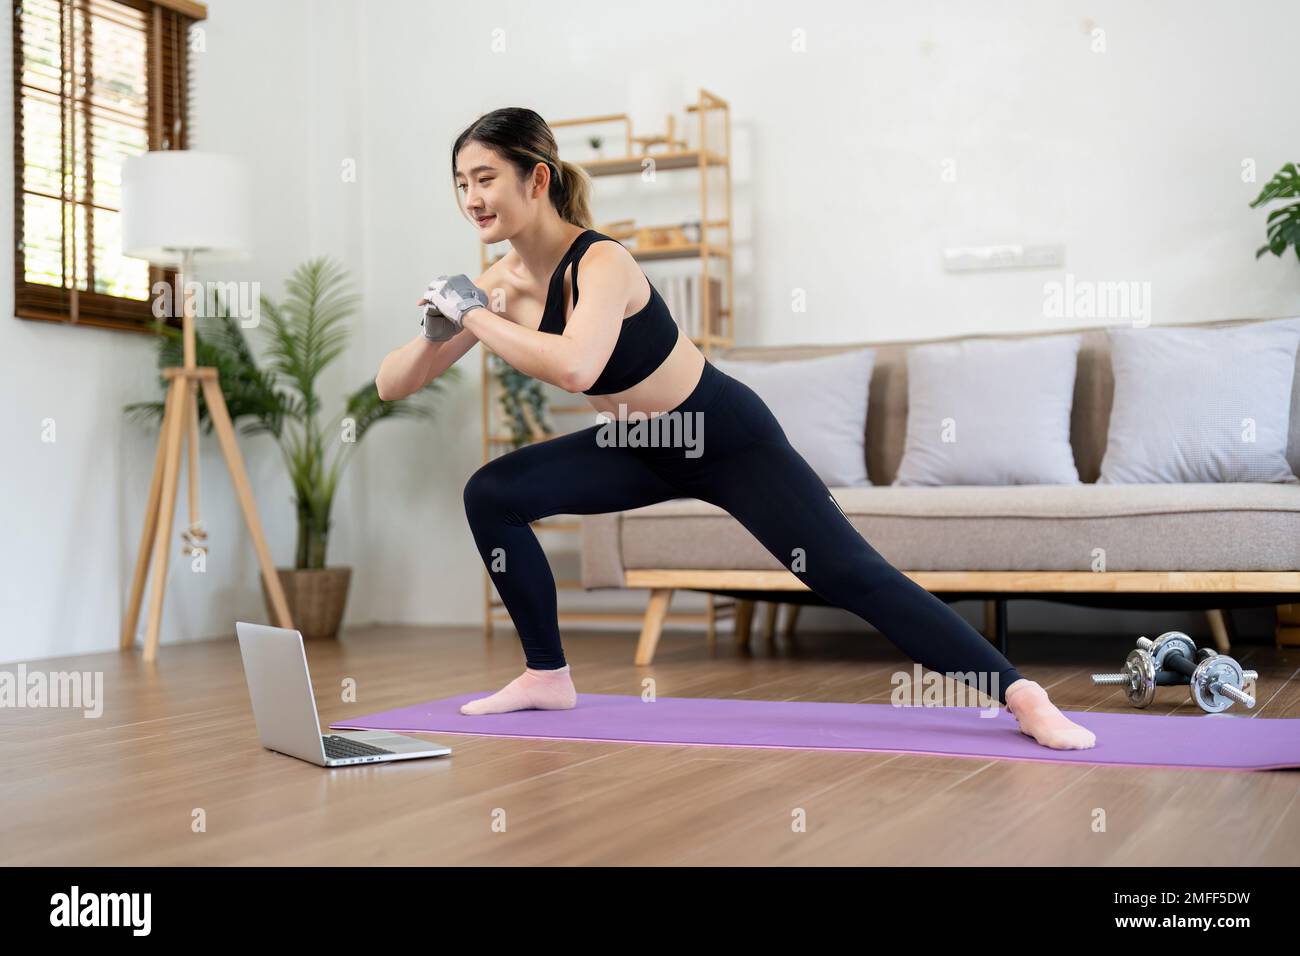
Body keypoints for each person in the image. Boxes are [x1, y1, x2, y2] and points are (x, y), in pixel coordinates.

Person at [375, 107, 1095, 751]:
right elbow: (391, 384)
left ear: (536, 180)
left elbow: (575, 368)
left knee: (848, 575)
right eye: (461, 184)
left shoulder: (603, 261)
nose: (471, 199)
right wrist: (439, 327)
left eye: (485, 179)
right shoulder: (498, 287)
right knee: (492, 492)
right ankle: (545, 675)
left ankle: (1021, 695)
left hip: (723, 436)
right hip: (641, 445)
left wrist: (473, 316)